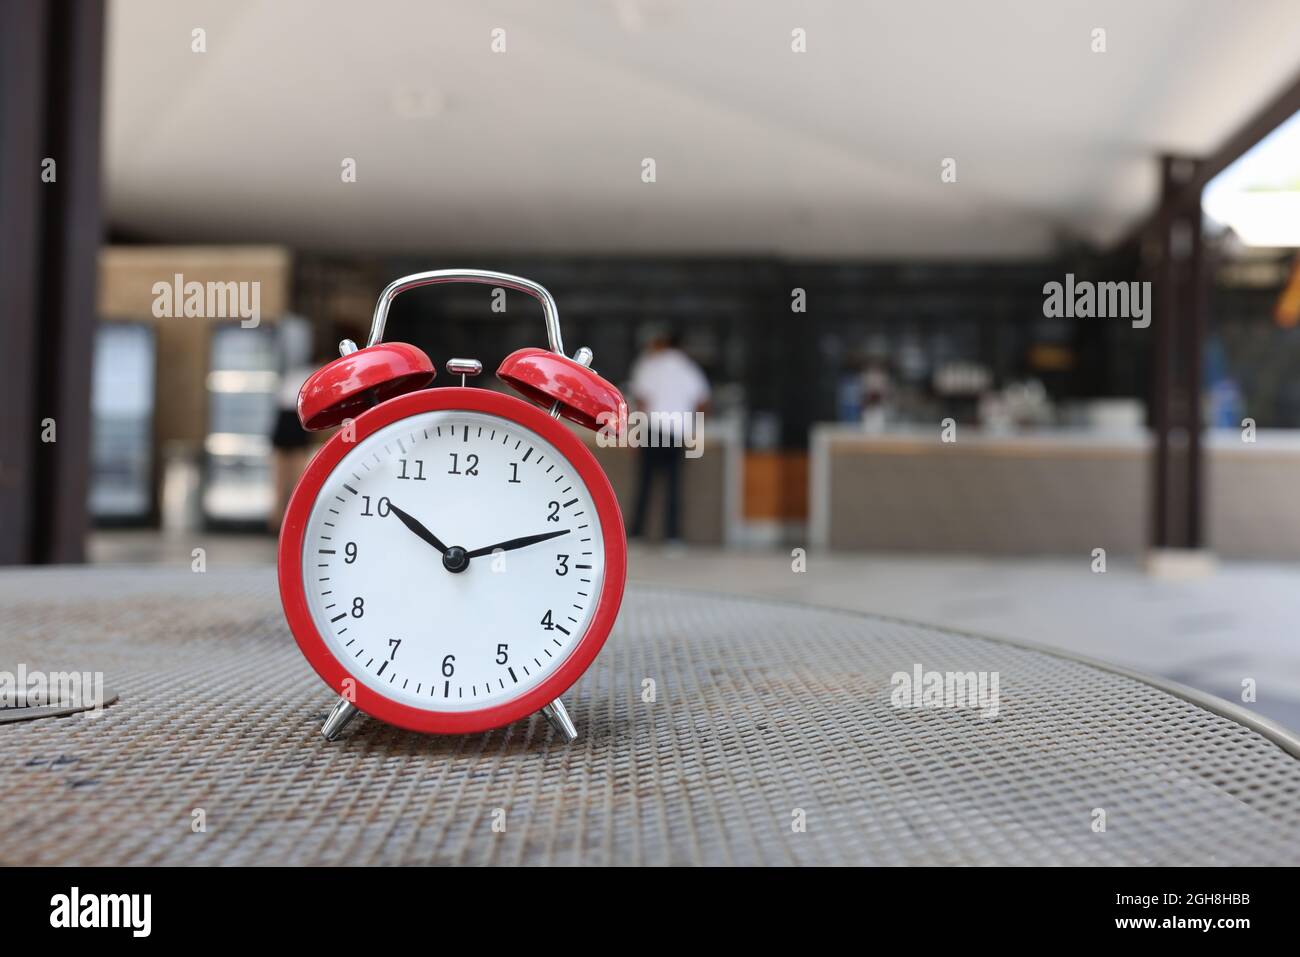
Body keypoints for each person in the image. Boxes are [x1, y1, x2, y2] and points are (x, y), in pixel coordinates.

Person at [628, 330, 710, 546]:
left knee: (645, 484)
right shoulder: (689, 369)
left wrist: (634, 433)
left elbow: (641, 399)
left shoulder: (650, 364)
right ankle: (673, 537)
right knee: (674, 486)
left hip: (652, 429)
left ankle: (637, 534)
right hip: (677, 432)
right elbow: (703, 400)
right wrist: (693, 422)